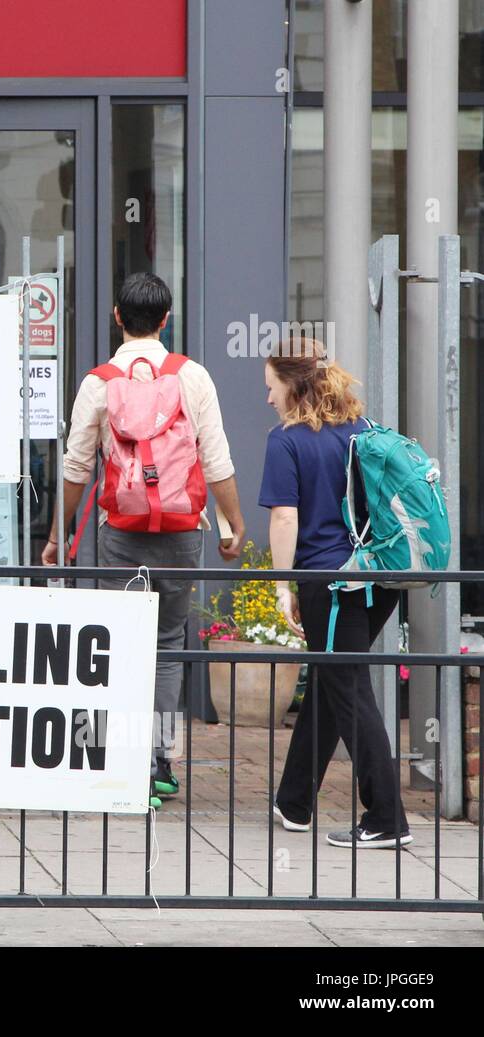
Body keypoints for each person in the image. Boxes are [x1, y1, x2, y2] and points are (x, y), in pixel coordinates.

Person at [44, 272, 246, 807]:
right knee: (168, 644)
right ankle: (158, 762)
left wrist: (57, 533)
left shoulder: (99, 381)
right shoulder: (192, 378)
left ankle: (121, 762)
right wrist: (232, 524)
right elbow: (217, 459)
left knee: (119, 644)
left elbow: (76, 466)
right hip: (182, 532)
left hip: (122, 536)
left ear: (117, 317)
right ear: (164, 320)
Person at [259, 337, 410, 848]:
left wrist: (284, 588)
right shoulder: (362, 430)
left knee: (348, 691)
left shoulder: (286, 440)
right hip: (377, 578)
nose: (267, 397)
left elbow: (284, 517)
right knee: (332, 681)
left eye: (271, 386)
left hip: (331, 581)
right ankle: (295, 802)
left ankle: (387, 817)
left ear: (293, 386)